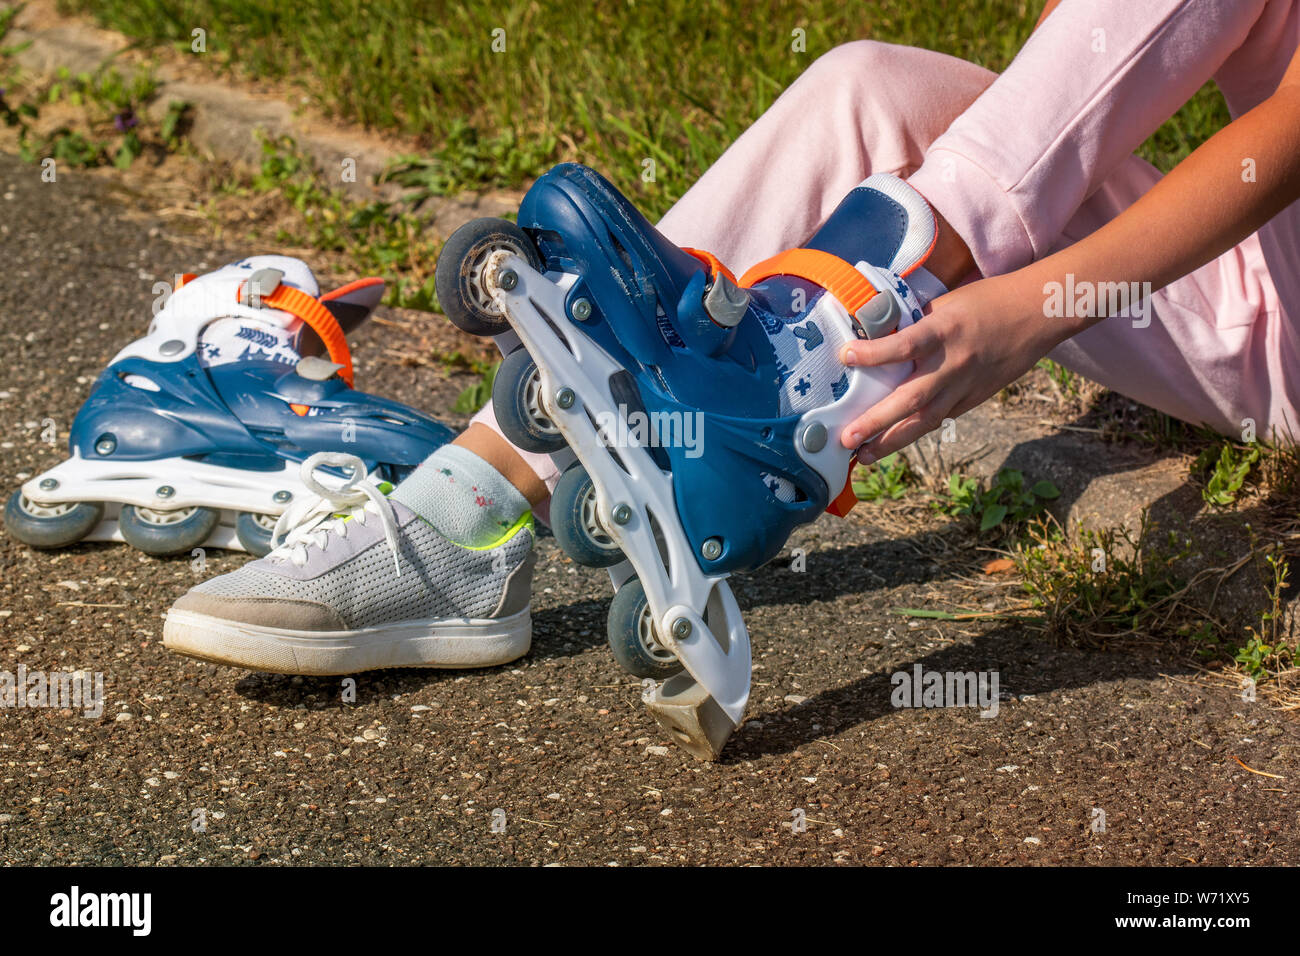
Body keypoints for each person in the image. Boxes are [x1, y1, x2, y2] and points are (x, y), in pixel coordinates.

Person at [162, 0, 1300, 674]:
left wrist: (1035, 305)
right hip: (1255, 289)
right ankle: (464, 512)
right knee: (868, 87)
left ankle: (778, 370)